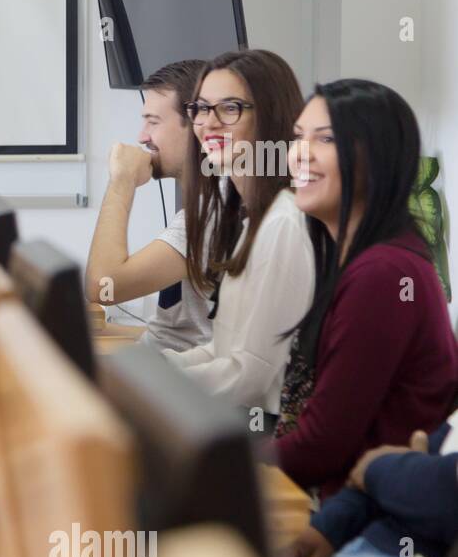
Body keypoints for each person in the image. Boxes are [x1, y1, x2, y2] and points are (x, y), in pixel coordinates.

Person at [273, 80, 458, 494]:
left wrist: (227, 461)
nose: (301, 153)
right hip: (348, 509)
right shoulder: (367, 258)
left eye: (326, 139)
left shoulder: (383, 274)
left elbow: (321, 447)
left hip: (369, 522)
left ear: (377, 158)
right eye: (298, 137)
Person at [161, 50, 315, 419]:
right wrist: (147, 370)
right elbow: (223, 350)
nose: (207, 123)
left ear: (271, 116)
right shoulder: (248, 220)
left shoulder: (284, 222)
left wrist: (153, 387)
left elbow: (250, 376)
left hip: (263, 428)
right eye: (200, 108)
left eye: (229, 108)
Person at [85, 59, 212, 352]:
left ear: (196, 128)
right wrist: (93, 328)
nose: (142, 137)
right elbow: (178, 337)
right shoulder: (201, 207)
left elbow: (105, 286)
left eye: (153, 122)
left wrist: (122, 181)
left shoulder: (210, 216)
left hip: (189, 390)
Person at [284, 415, 457, 557]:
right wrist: (329, 527)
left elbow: (442, 492)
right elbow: (416, 473)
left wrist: (376, 466)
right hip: (377, 547)